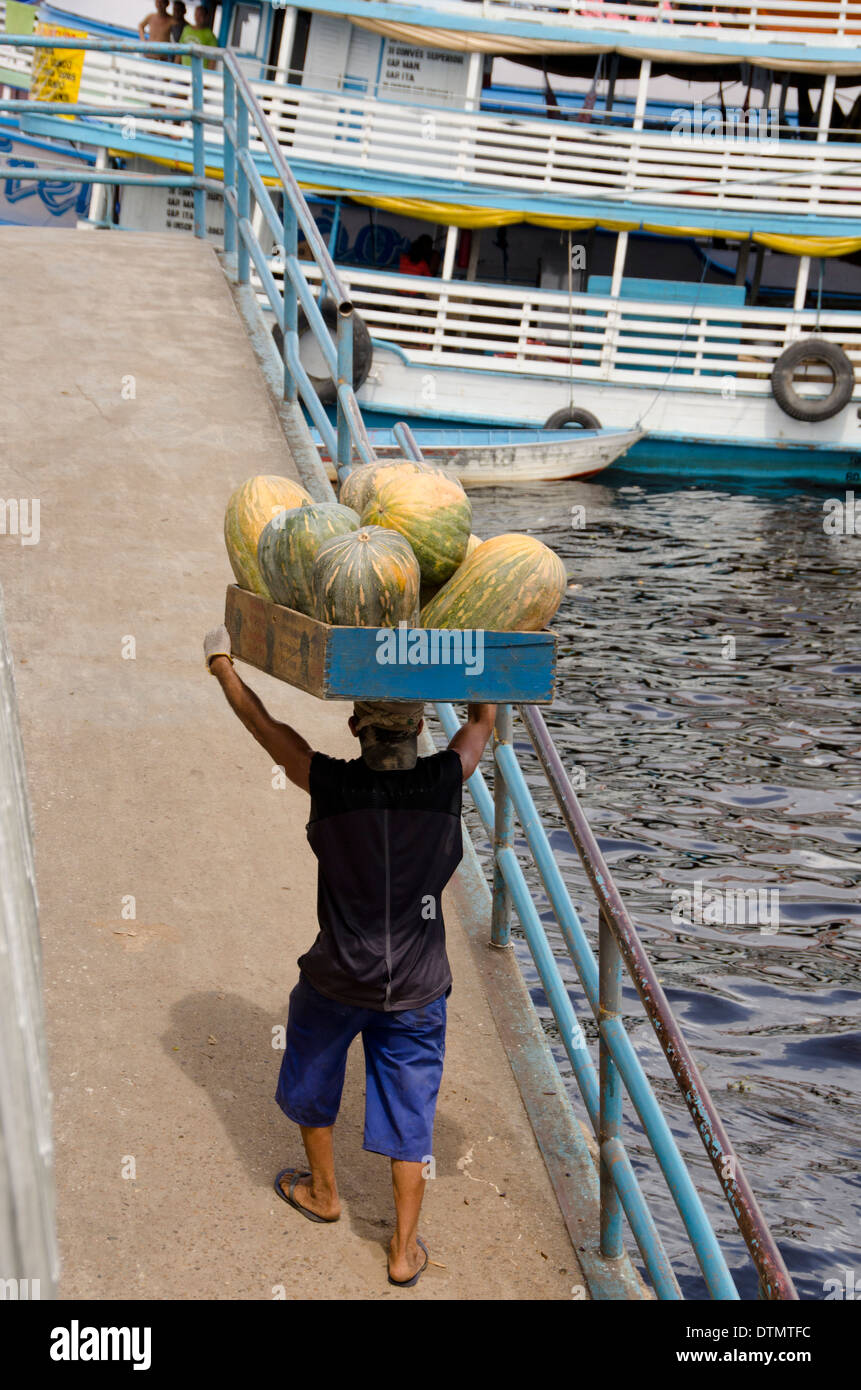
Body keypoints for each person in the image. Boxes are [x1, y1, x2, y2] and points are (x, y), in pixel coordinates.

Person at [203, 623, 496, 1287]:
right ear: (418, 729)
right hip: (418, 985)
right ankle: (401, 1252)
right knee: (409, 1112)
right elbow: (481, 724)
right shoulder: (446, 778)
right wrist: (485, 668)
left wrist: (223, 666)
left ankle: (324, 1194)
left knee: (313, 1071)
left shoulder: (328, 784)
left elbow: (266, 727)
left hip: (337, 973)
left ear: (357, 726)